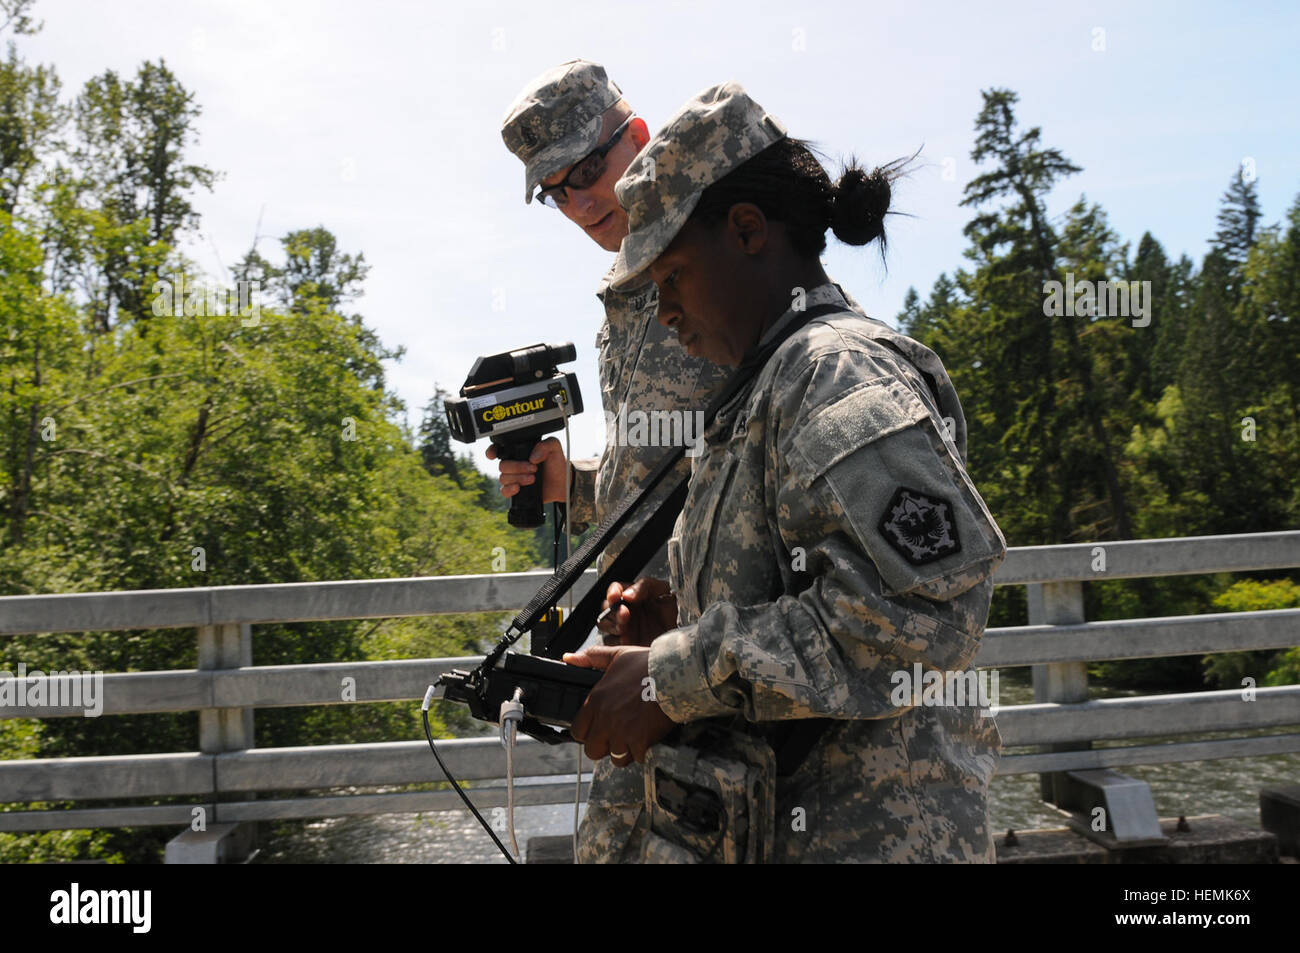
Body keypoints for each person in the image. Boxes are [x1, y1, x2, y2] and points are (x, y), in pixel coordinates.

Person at [563, 82, 1008, 862]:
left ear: (745, 232)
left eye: (672, 276)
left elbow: (923, 612)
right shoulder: (760, 392)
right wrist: (678, 621)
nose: (664, 311)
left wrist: (669, 676)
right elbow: (793, 601)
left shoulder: (835, 371)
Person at [497, 60, 728, 862]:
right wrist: (575, 484)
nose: (578, 201)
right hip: (638, 658)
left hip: (721, 661)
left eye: (588, 172)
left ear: (638, 135)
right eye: (554, 191)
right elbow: (661, 475)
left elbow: (753, 468)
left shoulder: (721, 265)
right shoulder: (623, 292)